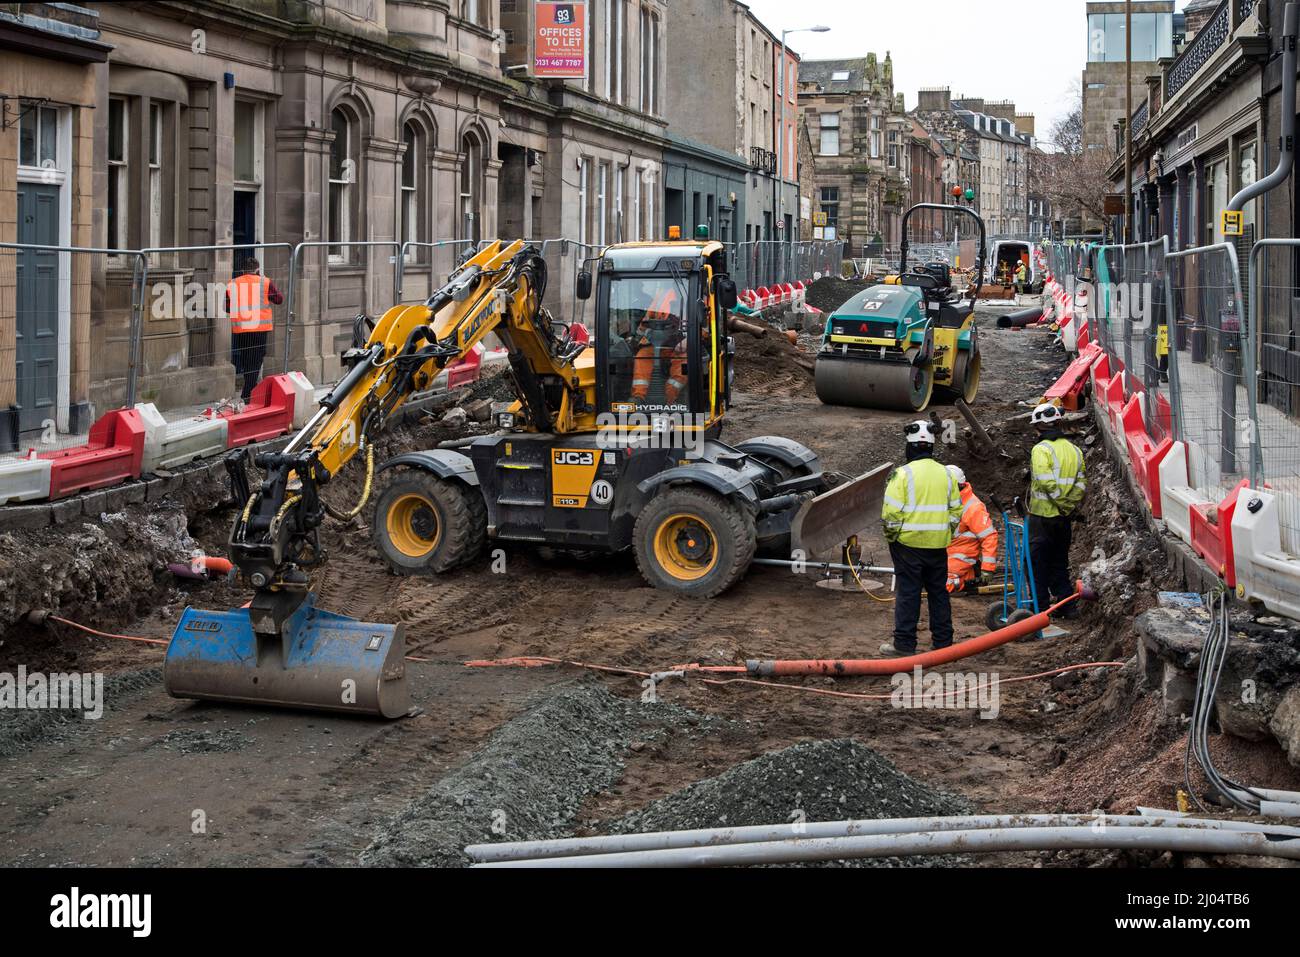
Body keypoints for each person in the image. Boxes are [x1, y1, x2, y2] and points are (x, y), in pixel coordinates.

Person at [879, 421, 963, 657]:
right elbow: (956, 511)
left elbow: (891, 514)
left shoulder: (902, 474)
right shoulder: (947, 474)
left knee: (909, 593)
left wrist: (893, 537)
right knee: (939, 593)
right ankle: (944, 643)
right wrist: (944, 534)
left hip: (908, 545)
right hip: (937, 546)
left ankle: (904, 645)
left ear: (911, 447)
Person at [1027, 403, 1087, 617]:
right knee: (1059, 563)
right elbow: (1081, 483)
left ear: (1039, 427)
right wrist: (1068, 506)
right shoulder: (1075, 450)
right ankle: (1066, 607)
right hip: (1064, 519)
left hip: (1042, 517)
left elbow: (1046, 481)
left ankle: (1039, 608)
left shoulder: (1041, 449)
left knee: (1036, 564)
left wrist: (1060, 504)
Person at [225, 257, 284, 404]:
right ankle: (247, 393)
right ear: (257, 269)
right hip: (259, 329)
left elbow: (227, 307)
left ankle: (250, 390)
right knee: (256, 360)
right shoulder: (264, 282)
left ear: (242, 270)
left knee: (246, 360)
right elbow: (279, 299)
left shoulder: (233, 284)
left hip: (241, 328)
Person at [945, 465, 999, 594]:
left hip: (961, 555)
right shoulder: (948, 501)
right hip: (945, 551)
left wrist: (988, 568)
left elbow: (989, 537)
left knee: (944, 585)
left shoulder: (973, 507)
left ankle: (972, 577)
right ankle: (971, 573)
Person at [631, 287, 687, 408]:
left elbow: (706, 327)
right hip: (658, 341)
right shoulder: (662, 295)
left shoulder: (696, 294)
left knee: (683, 364)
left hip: (681, 345)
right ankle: (639, 397)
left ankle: (670, 400)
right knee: (642, 356)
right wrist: (637, 337)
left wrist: (687, 341)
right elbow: (648, 318)